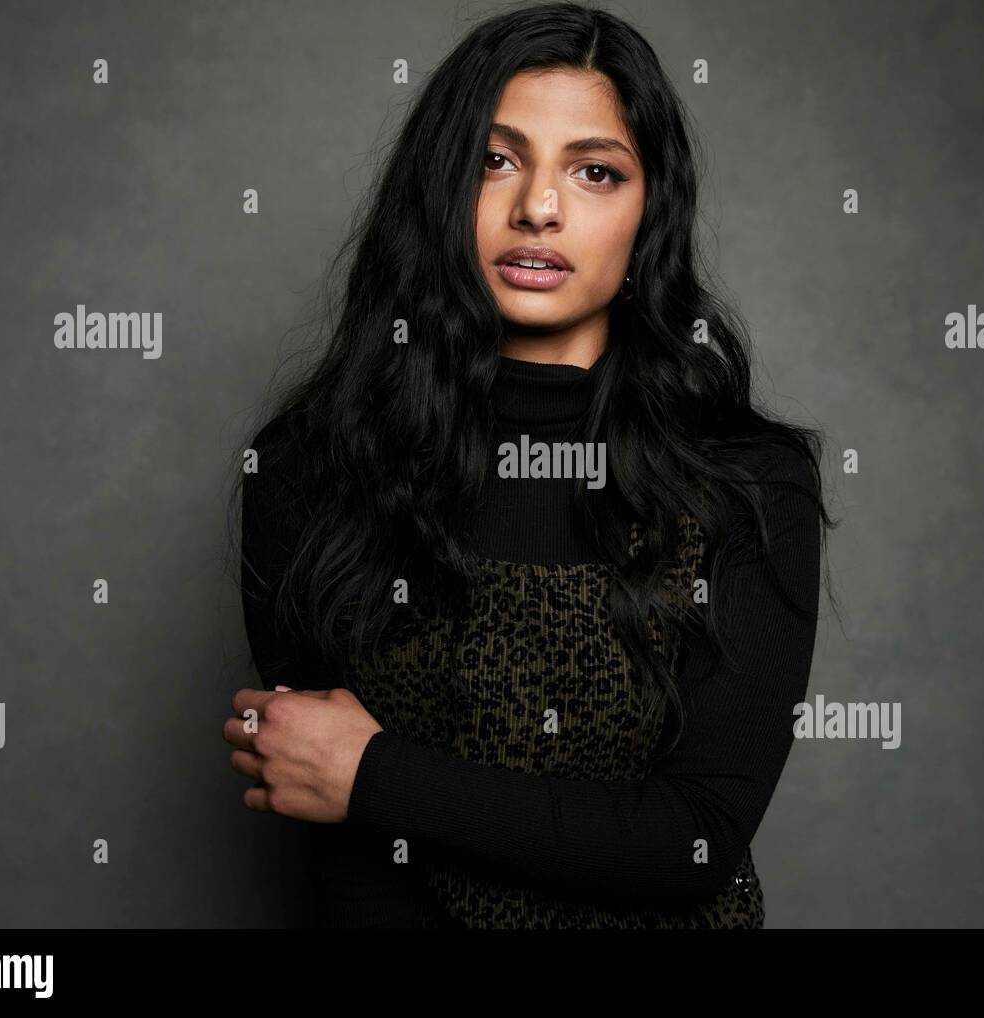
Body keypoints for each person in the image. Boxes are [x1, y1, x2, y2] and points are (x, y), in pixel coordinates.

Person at [222, 1, 835, 929]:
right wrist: (356, 785)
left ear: (648, 213)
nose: (538, 206)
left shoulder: (746, 482)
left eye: (594, 171)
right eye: (496, 159)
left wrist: (377, 775)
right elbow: (336, 837)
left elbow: (695, 836)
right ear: (439, 190)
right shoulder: (313, 466)